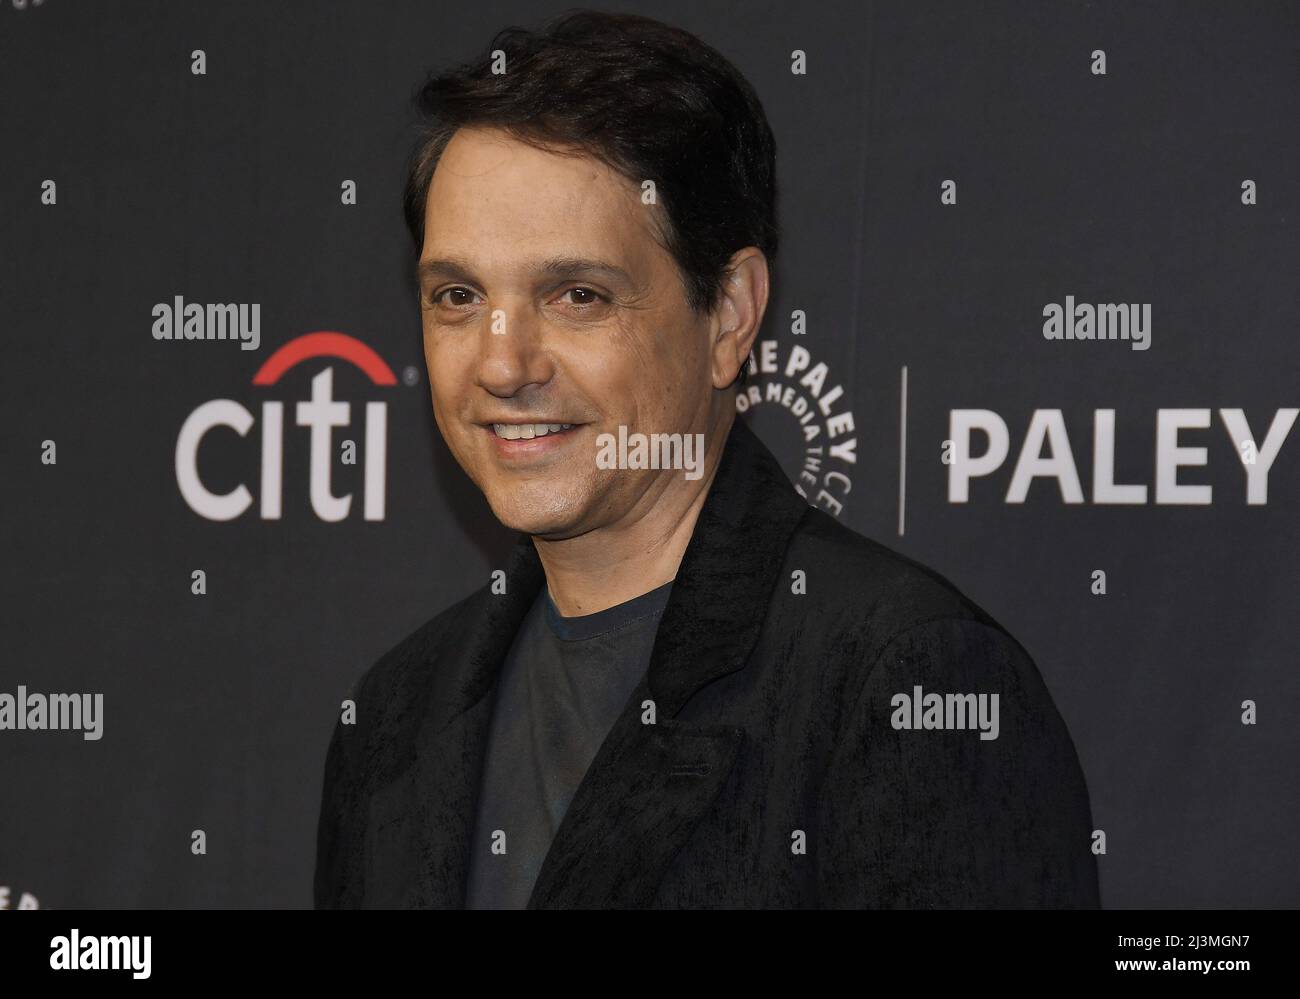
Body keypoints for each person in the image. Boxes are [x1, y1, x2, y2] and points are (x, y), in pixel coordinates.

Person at [313, 9, 1100, 909]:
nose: (502, 363)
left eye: (576, 295)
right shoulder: (392, 718)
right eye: (458, 295)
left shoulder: (903, 685)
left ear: (729, 316)